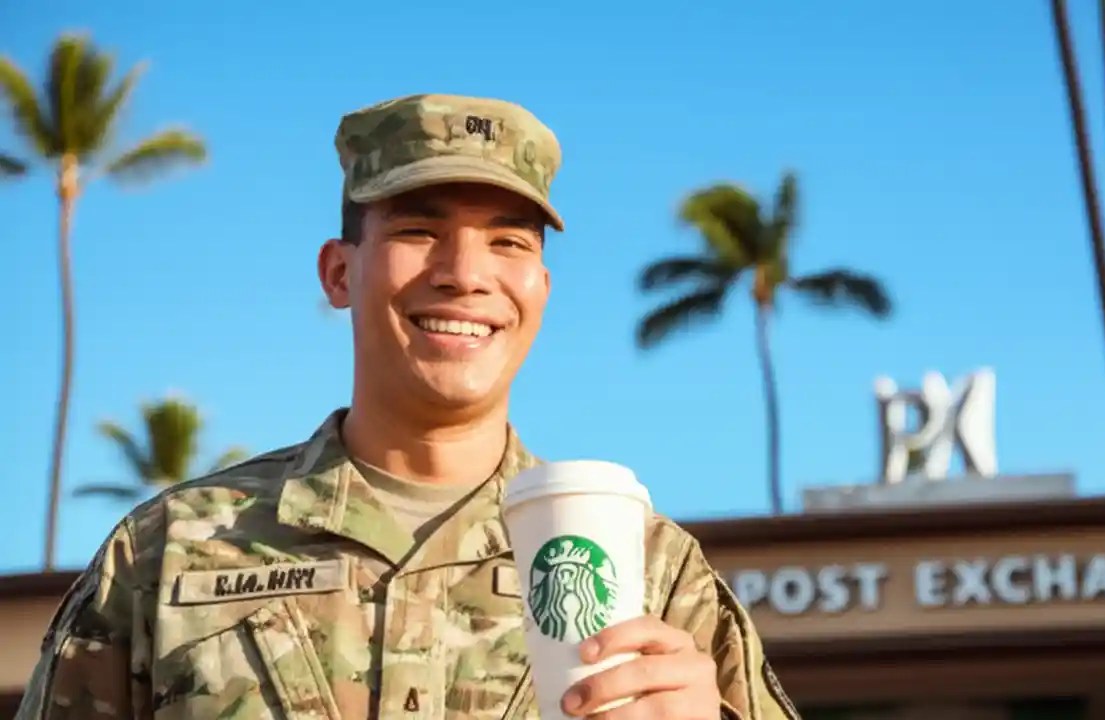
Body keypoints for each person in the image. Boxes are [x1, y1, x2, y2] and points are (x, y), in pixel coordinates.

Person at [17, 93, 800, 720]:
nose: (465, 273)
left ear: (541, 292)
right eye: (420, 230)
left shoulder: (650, 570)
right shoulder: (172, 552)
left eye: (510, 243)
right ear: (338, 273)